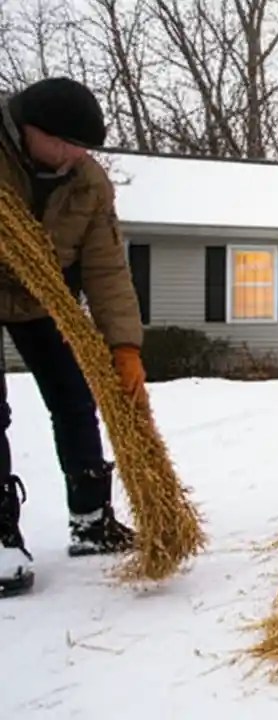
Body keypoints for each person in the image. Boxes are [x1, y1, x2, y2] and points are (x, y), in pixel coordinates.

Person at [0, 77, 147, 597]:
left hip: (43, 299)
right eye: (61, 142)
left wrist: (125, 346)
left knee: (75, 398)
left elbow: (107, 270)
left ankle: (91, 518)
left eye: (80, 145)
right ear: (26, 130)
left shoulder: (88, 183)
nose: (72, 154)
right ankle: (1, 533)